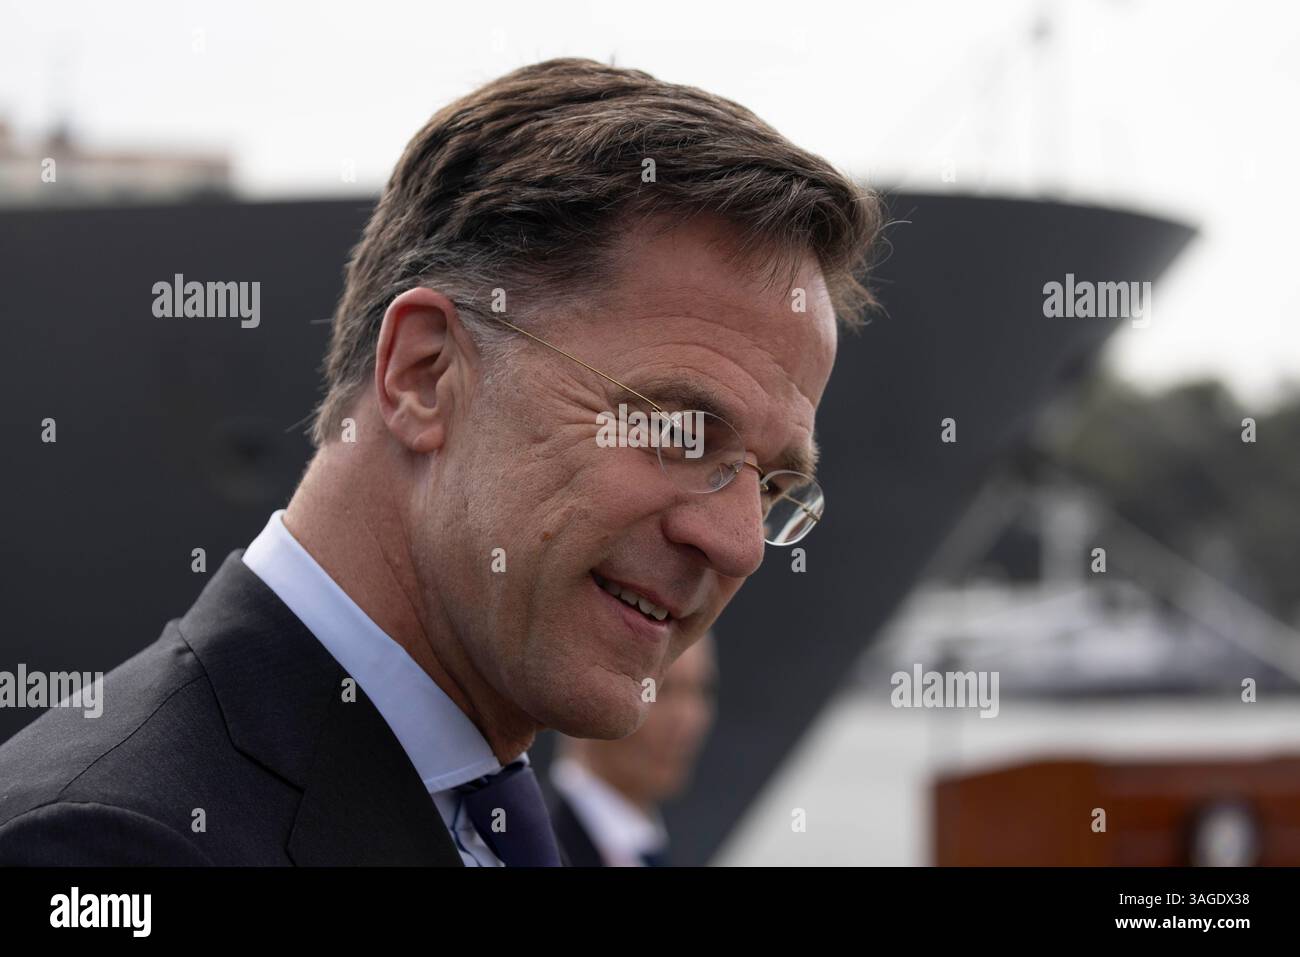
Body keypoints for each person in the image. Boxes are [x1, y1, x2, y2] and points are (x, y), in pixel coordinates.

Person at [0, 57, 880, 865]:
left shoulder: (470, 811)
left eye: (774, 486)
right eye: (682, 431)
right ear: (424, 374)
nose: (739, 543)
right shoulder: (108, 850)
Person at [547, 632, 717, 866]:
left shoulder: (649, 847)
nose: (688, 719)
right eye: (659, 690)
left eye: (701, 690)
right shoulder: (530, 850)